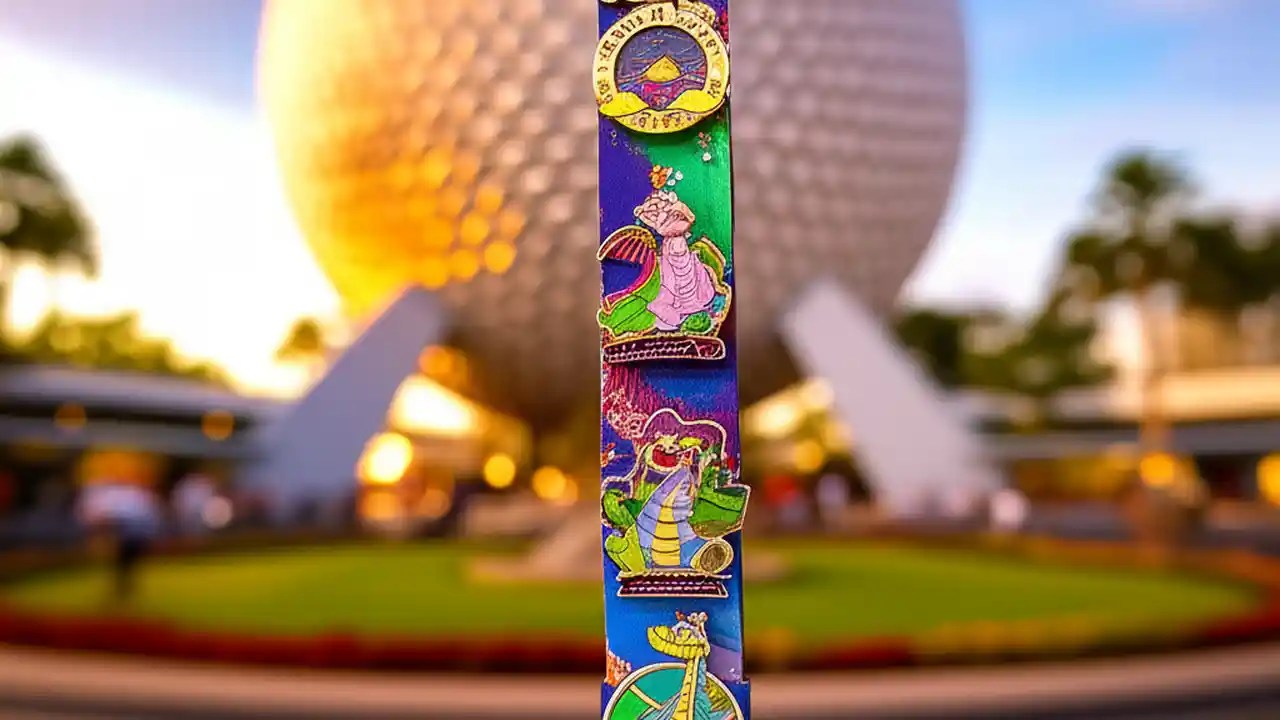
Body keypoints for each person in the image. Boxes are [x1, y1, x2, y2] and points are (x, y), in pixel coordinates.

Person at [77, 481, 161, 601]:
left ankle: (123, 590)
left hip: (131, 538)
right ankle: (125, 589)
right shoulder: (131, 499)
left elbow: (115, 520)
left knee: (125, 566)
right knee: (126, 566)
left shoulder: (125, 501)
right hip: (133, 537)